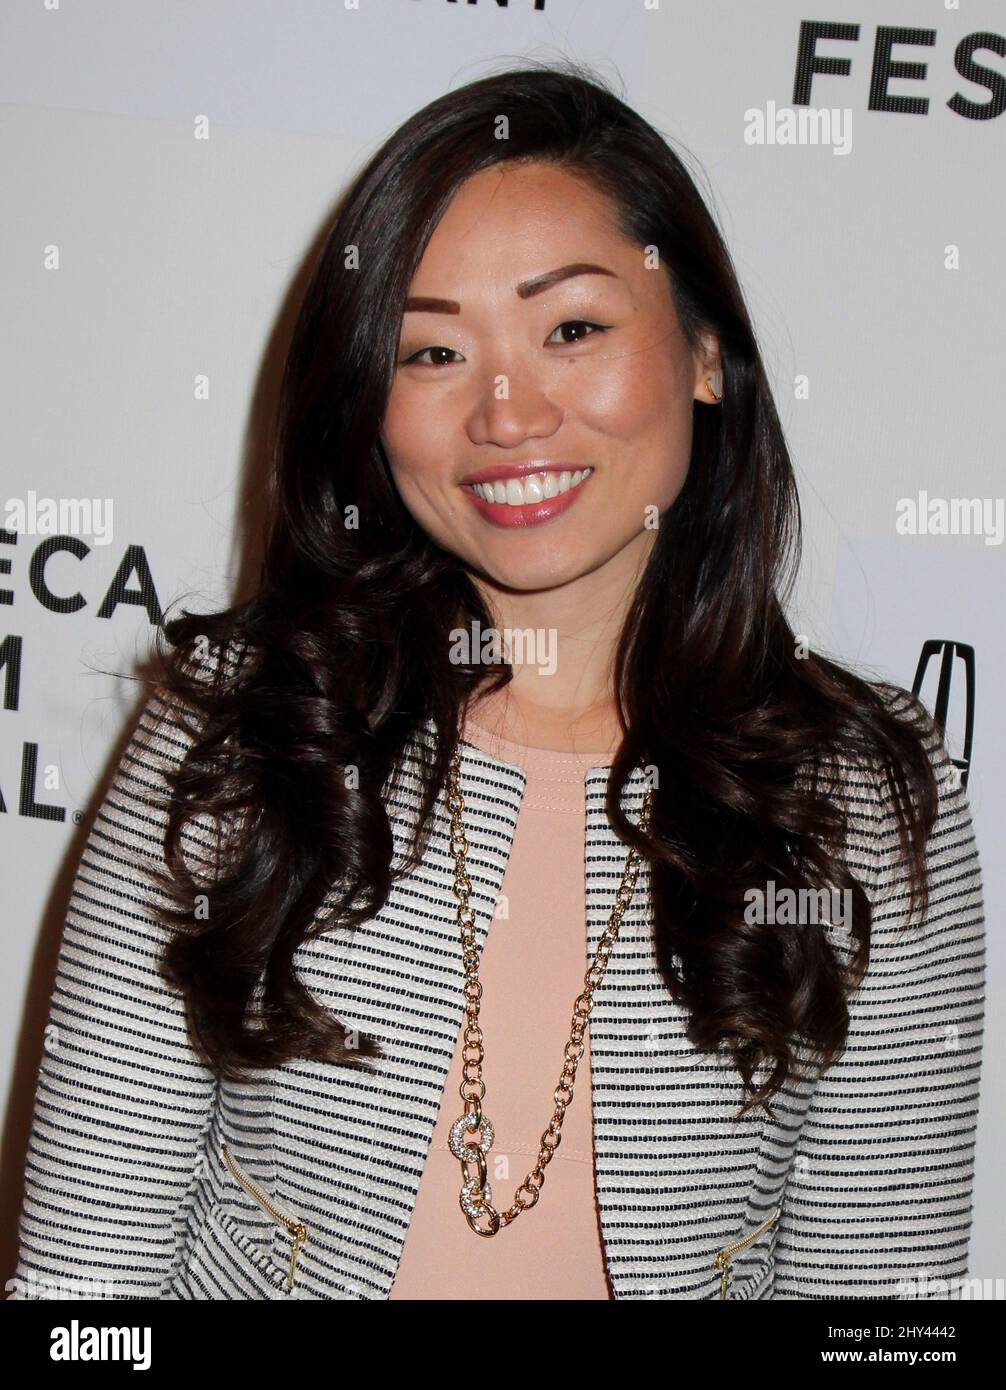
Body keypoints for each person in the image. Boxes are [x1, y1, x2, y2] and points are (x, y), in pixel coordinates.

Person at [9, 60, 986, 1301]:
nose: (506, 412)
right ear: (371, 407)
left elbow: (879, 1308)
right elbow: (81, 1292)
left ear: (701, 354)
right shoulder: (249, 722)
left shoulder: (863, 795)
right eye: (430, 352)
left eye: (571, 327)